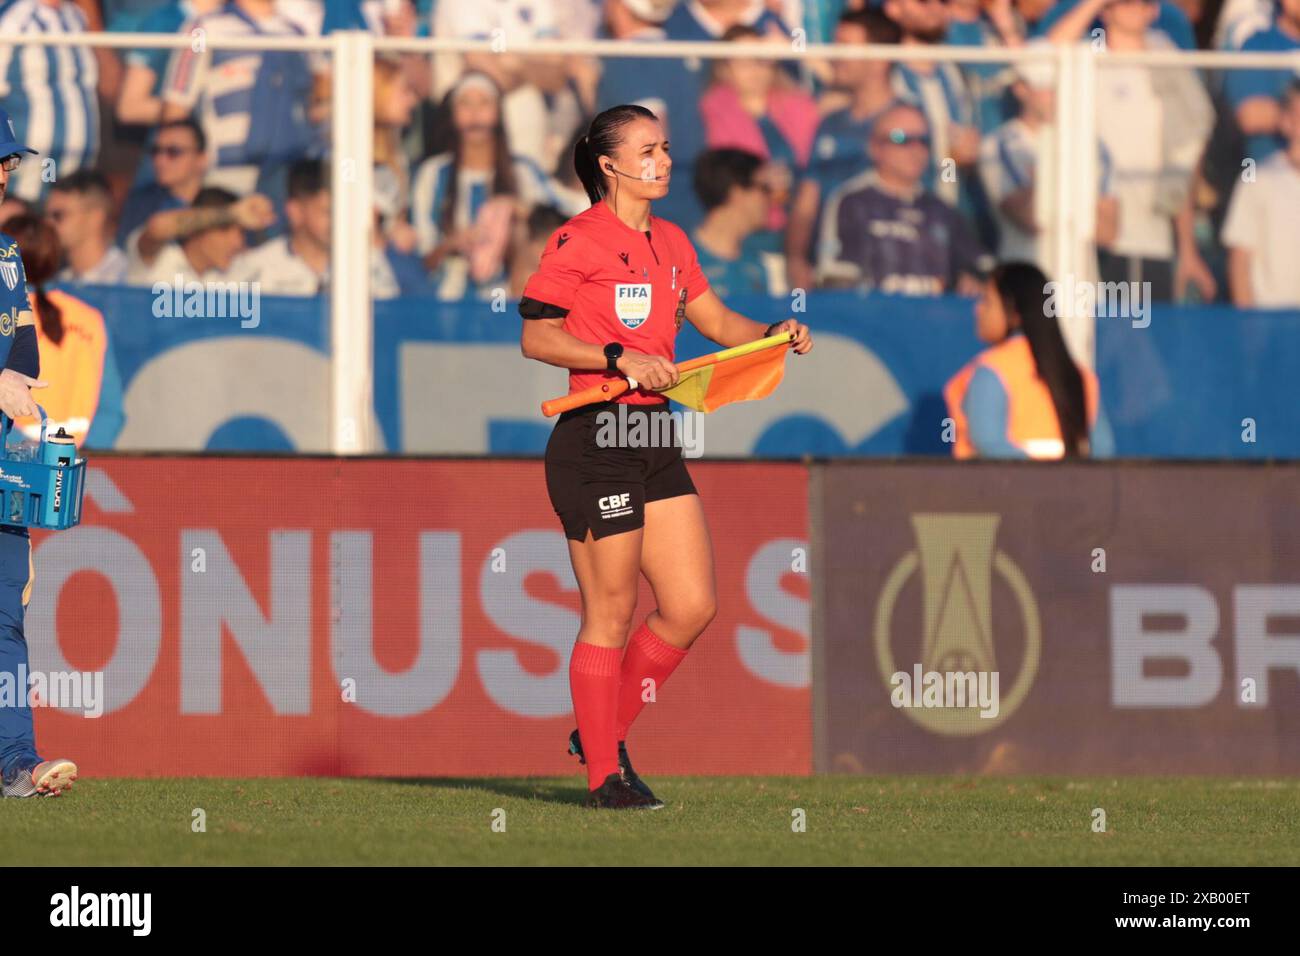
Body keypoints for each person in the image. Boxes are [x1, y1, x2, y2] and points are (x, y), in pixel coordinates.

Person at [517, 104, 811, 808]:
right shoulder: (577, 239)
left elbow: (713, 322)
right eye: (648, 150)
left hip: (653, 438)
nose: (665, 161)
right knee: (610, 614)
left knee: (691, 606)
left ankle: (601, 730)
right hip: (595, 439)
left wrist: (770, 333)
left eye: (668, 149)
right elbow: (538, 338)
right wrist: (616, 355)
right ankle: (603, 776)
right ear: (609, 164)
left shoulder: (674, 240)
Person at [0, 111, 77, 797]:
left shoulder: (5, 256)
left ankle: (18, 762)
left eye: (5, 164)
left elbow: (21, 346)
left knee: (4, 616)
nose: (2, 175)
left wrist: (23, 397)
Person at [411, 71, 585, 301]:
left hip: (511, 302)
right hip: (446, 301)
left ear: (498, 112)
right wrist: (452, 244)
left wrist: (520, 210)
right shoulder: (432, 174)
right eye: (465, 104)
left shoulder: (522, 170)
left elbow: (569, 217)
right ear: (452, 114)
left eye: (484, 103)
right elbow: (420, 257)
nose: (475, 114)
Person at [944, 261, 1115, 459]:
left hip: (995, 488)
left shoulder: (992, 370)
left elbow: (987, 442)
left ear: (1015, 313)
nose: (978, 309)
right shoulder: (1081, 377)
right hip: (1070, 487)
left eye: (987, 301)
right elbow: (1102, 449)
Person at [818, 103, 992, 294]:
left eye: (924, 140)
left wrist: (972, 281)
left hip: (934, 319)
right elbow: (836, 281)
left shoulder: (941, 210)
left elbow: (982, 269)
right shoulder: (851, 202)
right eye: (901, 139)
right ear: (874, 147)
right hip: (873, 319)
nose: (915, 149)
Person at [3, 214, 124, 447]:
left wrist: (28, 449)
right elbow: (111, 411)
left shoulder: (6, 313)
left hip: (12, 463)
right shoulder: (89, 319)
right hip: (70, 466)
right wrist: (71, 455)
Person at [0, 0, 102, 204]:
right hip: (27, 175)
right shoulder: (11, 17)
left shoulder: (76, 17)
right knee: (24, 231)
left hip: (77, 170)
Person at [1222, 80, 1300, 307]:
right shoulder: (1257, 177)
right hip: (1271, 321)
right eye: (1296, 113)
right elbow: (1240, 257)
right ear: (1286, 121)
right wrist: (1248, 322)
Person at [126, 186, 275, 286]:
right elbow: (157, 227)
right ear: (196, 228)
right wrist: (232, 213)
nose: (237, 242)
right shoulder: (157, 259)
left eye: (241, 232)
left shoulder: (239, 271)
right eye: (223, 230)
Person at [690, 148, 772, 296]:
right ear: (737, 192)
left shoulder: (757, 264)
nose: (770, 199)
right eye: (765, 188)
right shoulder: (681, 263)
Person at [117, 118, 209, 247]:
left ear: (202, 159)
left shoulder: (218, 203)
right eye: (155, 151)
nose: (160, 160)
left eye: (173, 152)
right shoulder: (140, 203)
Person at [47, 171, 130, 285]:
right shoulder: (59, 282)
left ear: (95, 218)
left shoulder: (128, 279)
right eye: (46, 216)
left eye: (58, 215)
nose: (47, 224)